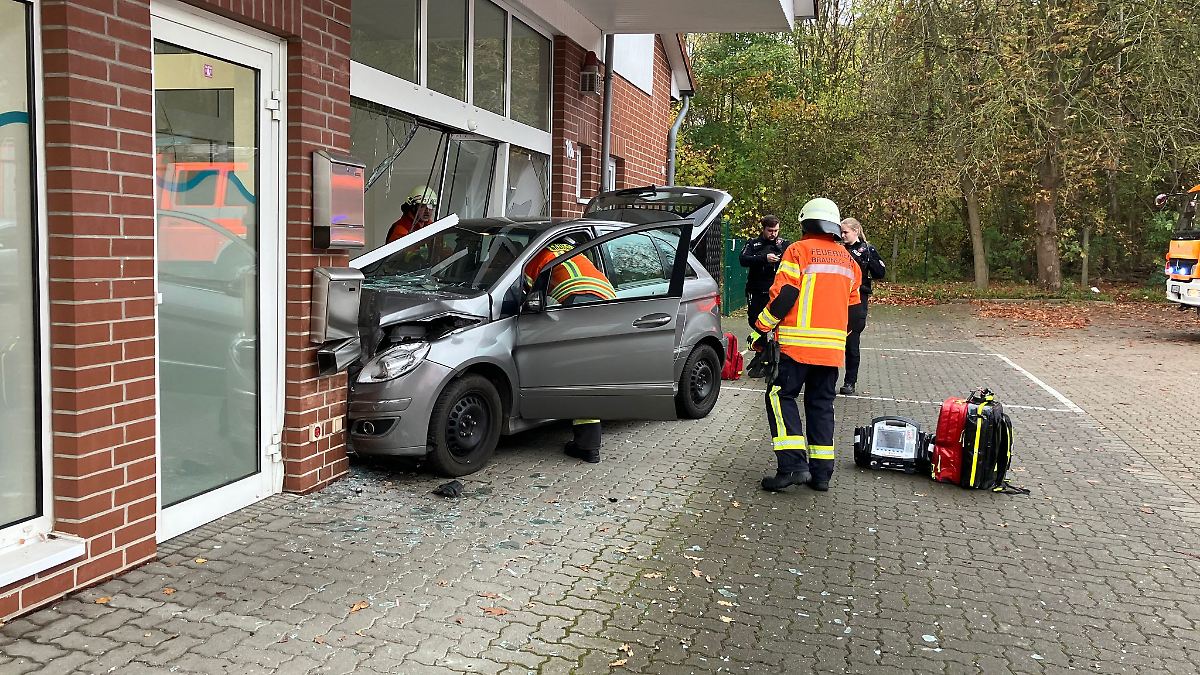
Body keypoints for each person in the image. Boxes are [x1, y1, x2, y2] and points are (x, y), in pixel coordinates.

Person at [750, 198, 860, 493]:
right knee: (821, 406)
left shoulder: (798, 250)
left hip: (796, 349)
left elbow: (785, 295)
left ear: (806, 223)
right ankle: (821, 474)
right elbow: (856, 313)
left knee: (780, 397)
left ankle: (792, 467)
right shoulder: (849, 261)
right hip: (831, 352)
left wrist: (761, 328)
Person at [523, 239, 617, 464]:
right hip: (611, 301)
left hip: (581, 303)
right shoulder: (573, 250)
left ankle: (587, 447)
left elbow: (527, 296)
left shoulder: (532, 259)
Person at [838, 218, 886, 396]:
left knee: (852, 342)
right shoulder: (838, 249)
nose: (843, 236)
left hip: (858, 298)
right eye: (841, 233)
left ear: (856, 231)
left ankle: (850, 381)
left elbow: (880, 273)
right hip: (837, 298)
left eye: (846, 232)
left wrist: (866, 258)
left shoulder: (867, 249)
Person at [739, 215, 789, 332]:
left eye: (776, 231)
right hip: (757, 290)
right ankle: (761, 346)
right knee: (754, 321)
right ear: (764, 229)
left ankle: (774, 346)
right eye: (770, 231)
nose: (773, 234)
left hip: (777, 291)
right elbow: (743, 259)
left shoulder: (784, 244)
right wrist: (764, 258)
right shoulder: (753, 244)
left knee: (778, 321)